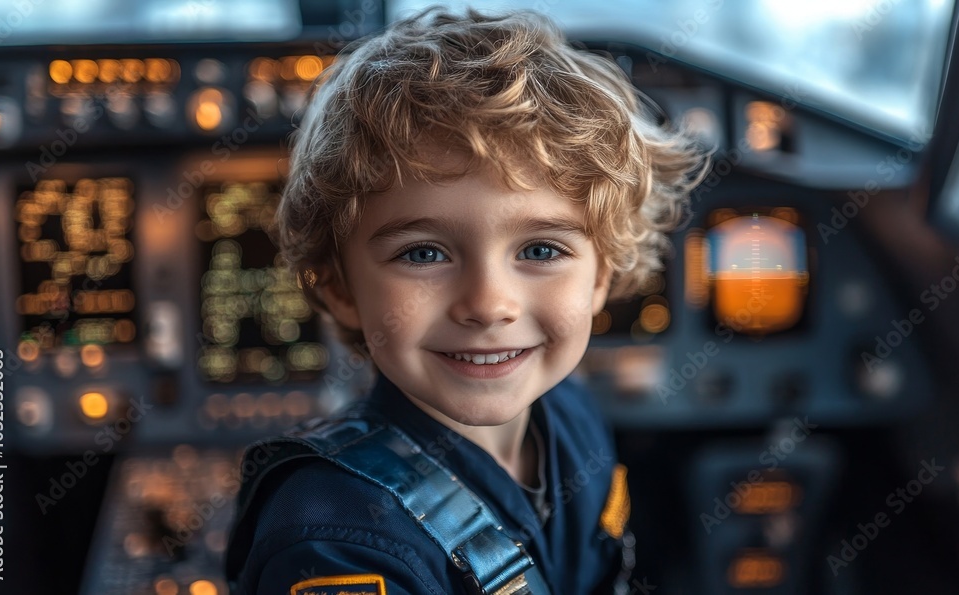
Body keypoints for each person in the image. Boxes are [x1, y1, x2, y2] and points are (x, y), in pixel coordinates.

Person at [225, 7, 706, 594]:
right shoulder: (334, 537)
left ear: (602, 275)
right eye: (424, 254)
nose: (488, 304)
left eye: (541, 250)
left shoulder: (574, 420)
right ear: (340, 289)